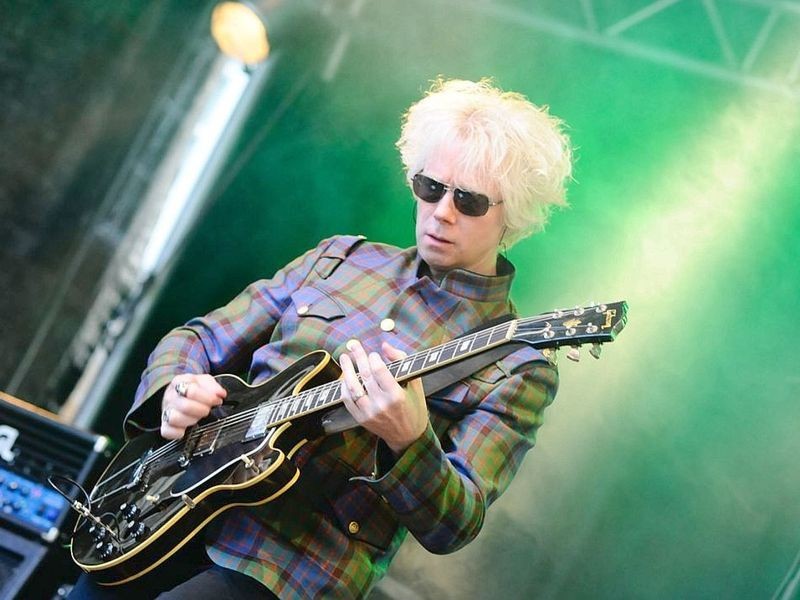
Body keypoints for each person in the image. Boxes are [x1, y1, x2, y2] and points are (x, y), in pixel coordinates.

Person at [70, 78, 572, 599]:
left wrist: (409, 439)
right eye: (430, 187)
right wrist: (175, 388)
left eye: (468, 201)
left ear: (511, 213)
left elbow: (456, 523)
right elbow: (196, 337)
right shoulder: (340, 258)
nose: (442, 212)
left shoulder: (517, 363)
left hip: (289, 571)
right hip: (172, 506)